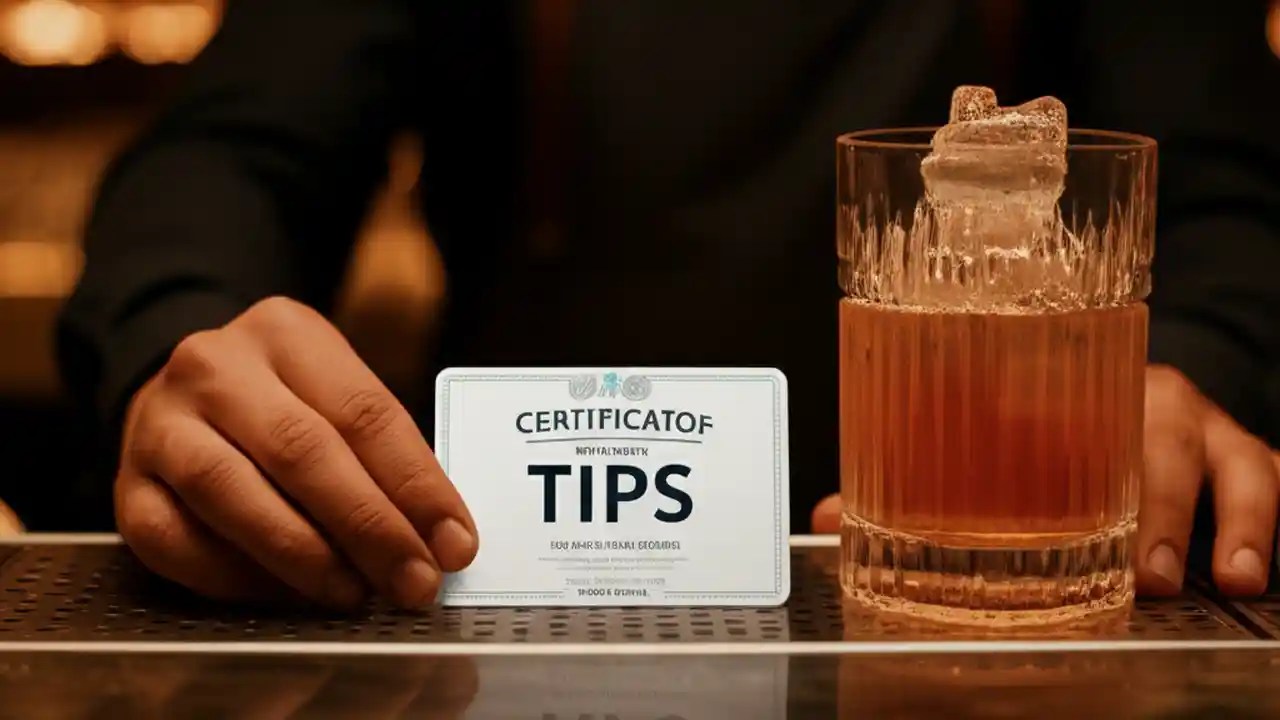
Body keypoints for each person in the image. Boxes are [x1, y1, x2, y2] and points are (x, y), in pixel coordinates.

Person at [55, 1, 1280, 610]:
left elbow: (1231, 185)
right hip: (508, 589)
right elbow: (228, 155)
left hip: (982, 590)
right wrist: (183, 331)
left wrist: (1192, 363)